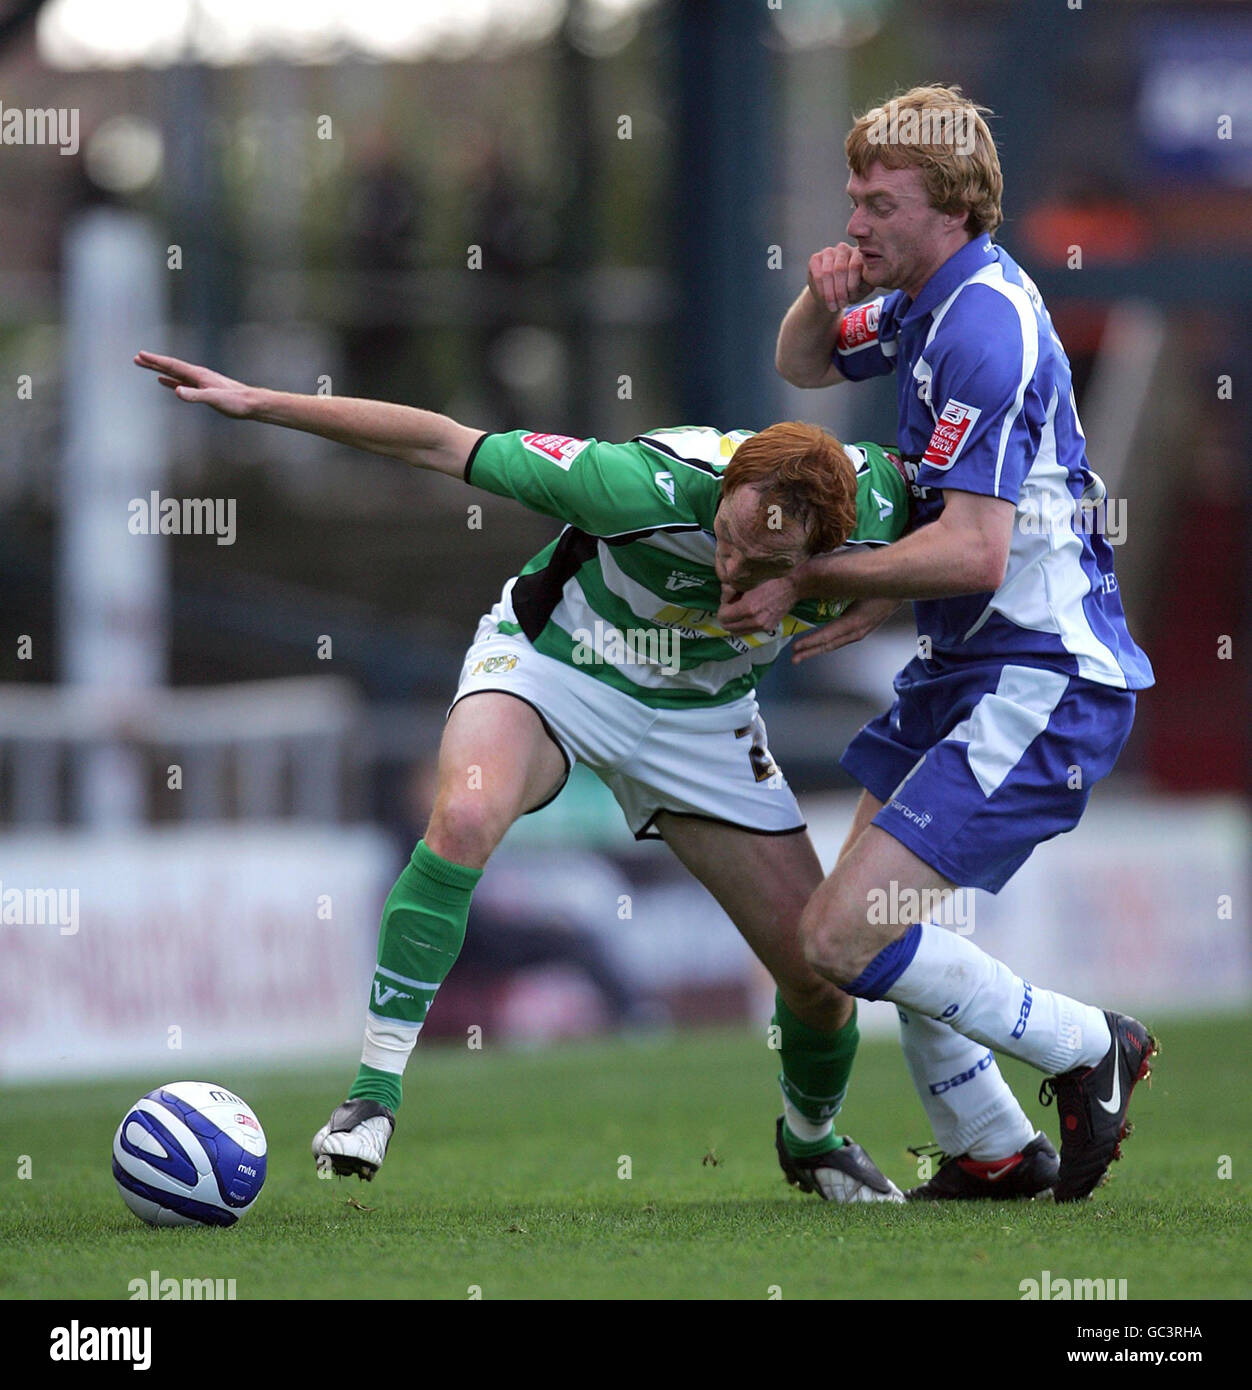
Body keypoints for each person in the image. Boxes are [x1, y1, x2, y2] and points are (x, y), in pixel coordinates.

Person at [135, 347, 923, 1203]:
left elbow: (983, 540)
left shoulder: (885, 499)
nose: (732, 570)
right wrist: (260, 398)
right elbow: (441, 442)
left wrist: (878, 592)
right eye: (728, 540)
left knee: (818, 975)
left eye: (767, 565)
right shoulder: (629, 483)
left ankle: (812, 1144)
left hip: (704, 717)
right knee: (466, 818)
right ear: (728, 486)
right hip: (559, 666)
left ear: (832, 539)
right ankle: (372, 1097)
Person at [736, 84, 1157, 1203]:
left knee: (837, 937)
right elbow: (805, 365)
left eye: (878, 202)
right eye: (851, 198)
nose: (856, 221)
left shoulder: (982, 322)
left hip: (1040, 676)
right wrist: (818, 295)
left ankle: (1082, 1043)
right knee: (871, 926)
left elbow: (973, 553)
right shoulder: (924, 298)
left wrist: (810, 578)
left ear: (952, 207)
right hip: (966, 668)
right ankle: (990, 1148)